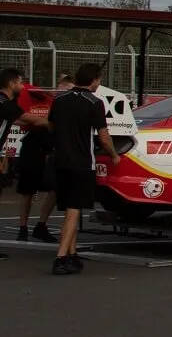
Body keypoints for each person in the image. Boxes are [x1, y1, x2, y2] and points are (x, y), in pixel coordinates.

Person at [45, 63, 120, 276]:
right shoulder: (94, 102)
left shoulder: (59, 99)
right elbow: (104, 137)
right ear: (94, 79)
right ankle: (60, 257)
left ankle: (71, 253)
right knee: (74, 210)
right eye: (99, 79)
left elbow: (51, 126)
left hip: (61, 160)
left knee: (70, 208)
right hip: (82, 161)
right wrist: (114, 155)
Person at [1, 69, 51, 261]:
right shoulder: (5, 104)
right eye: (20, 83)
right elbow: (31, 119)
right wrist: (54, 123)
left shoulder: (6, 104)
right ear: (12, 83)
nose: (23, 87)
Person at [14, 74, 71, 244]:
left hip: (52, 148)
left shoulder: (63, 103)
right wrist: (39, 121)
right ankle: (22, 228)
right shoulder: (42, 96)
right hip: (33, 146)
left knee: (54, 188)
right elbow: (19, 117)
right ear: (58, 86)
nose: (65, 92)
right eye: (63, 88)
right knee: (27, 190)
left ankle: (41, 225)